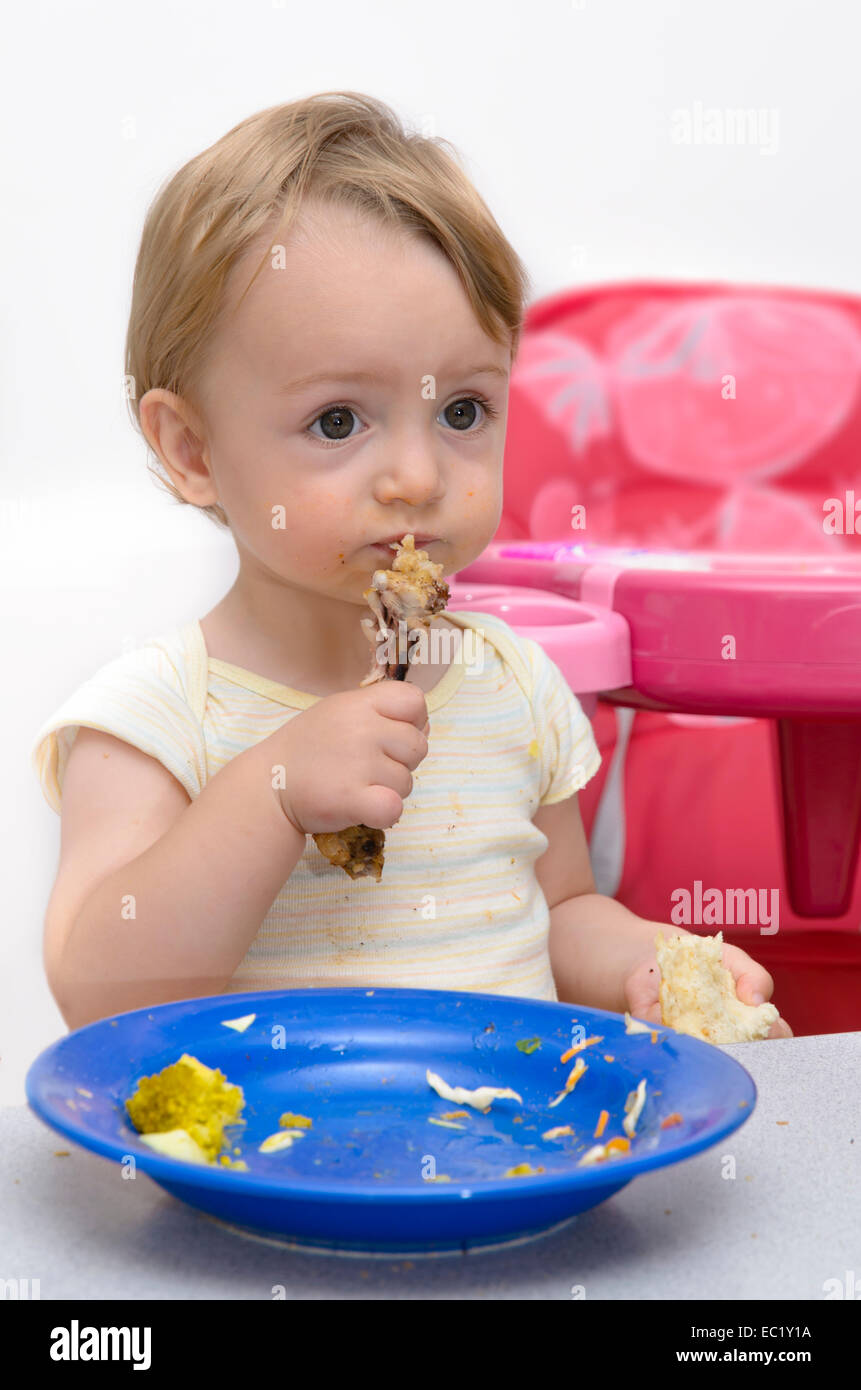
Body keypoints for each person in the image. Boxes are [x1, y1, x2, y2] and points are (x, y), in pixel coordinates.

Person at [31, 91, 791, 1038]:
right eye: (338, 421)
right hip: (267, 1170)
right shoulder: (153, 718)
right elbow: (100, 996)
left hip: (502, 1156)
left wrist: (644, 959)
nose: (419, 477)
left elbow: (556, 914)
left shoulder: (513, 685)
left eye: (462, 411)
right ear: (192, 450)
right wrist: (272, 794)